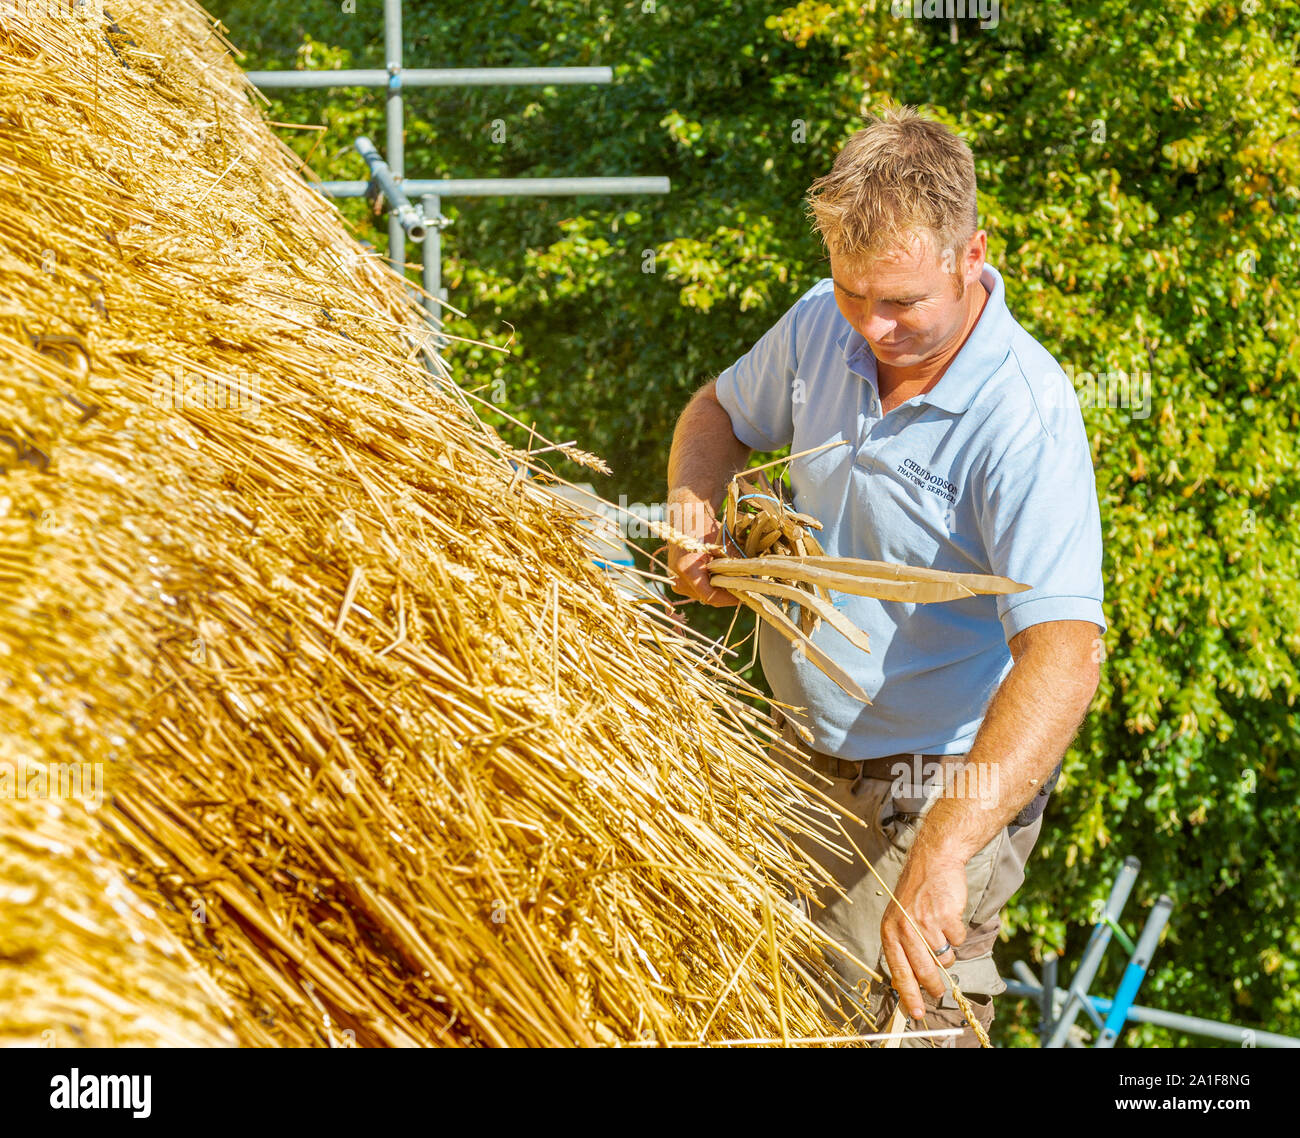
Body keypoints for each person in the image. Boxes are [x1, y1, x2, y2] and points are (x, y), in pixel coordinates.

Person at [665, 105, 1105, 1046]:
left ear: (971, 254)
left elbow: (1065, 657)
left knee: (899, 1020)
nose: (874, 326)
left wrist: (946, 850)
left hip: (942, 771)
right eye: (854, 292)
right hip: (803, 749)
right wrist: (693, 510)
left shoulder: (1023, 414)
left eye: (903, 302)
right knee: (781, 1006)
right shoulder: (821, 329)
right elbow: (716, 413)